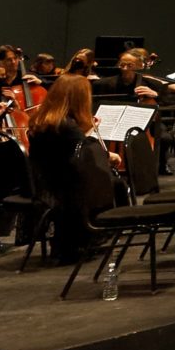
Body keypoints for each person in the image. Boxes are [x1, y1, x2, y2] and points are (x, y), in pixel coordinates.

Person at [24, 73, 115, 264]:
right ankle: (95, 234)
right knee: (114, 182)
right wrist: (93, 134)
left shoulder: (41, 120)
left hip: (44, 182)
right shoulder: (68, 126)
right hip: (64, 188)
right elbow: (85, 155)